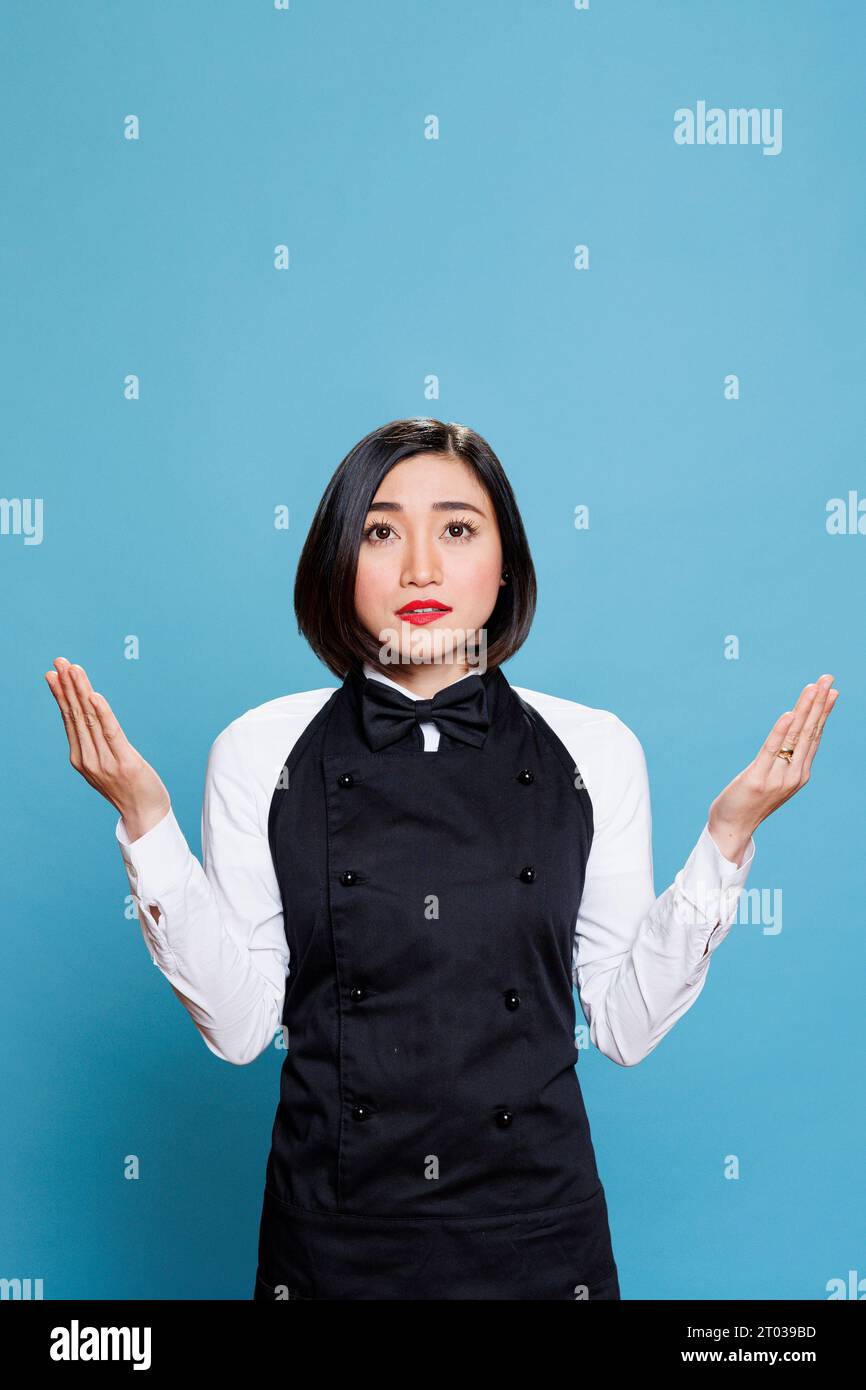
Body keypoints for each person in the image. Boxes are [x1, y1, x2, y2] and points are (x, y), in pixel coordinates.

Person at [45, 417, 839, 1301]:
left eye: (458, 529)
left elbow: (624, 1026)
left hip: (539, 1238)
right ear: (337, 561)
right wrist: (146, 824)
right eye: (381, 532)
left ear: (506, 566)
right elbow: (238, 1031)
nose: (420, 568)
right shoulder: (258, 749)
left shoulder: (596, 748)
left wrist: (727, 841)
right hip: (331, 1242)